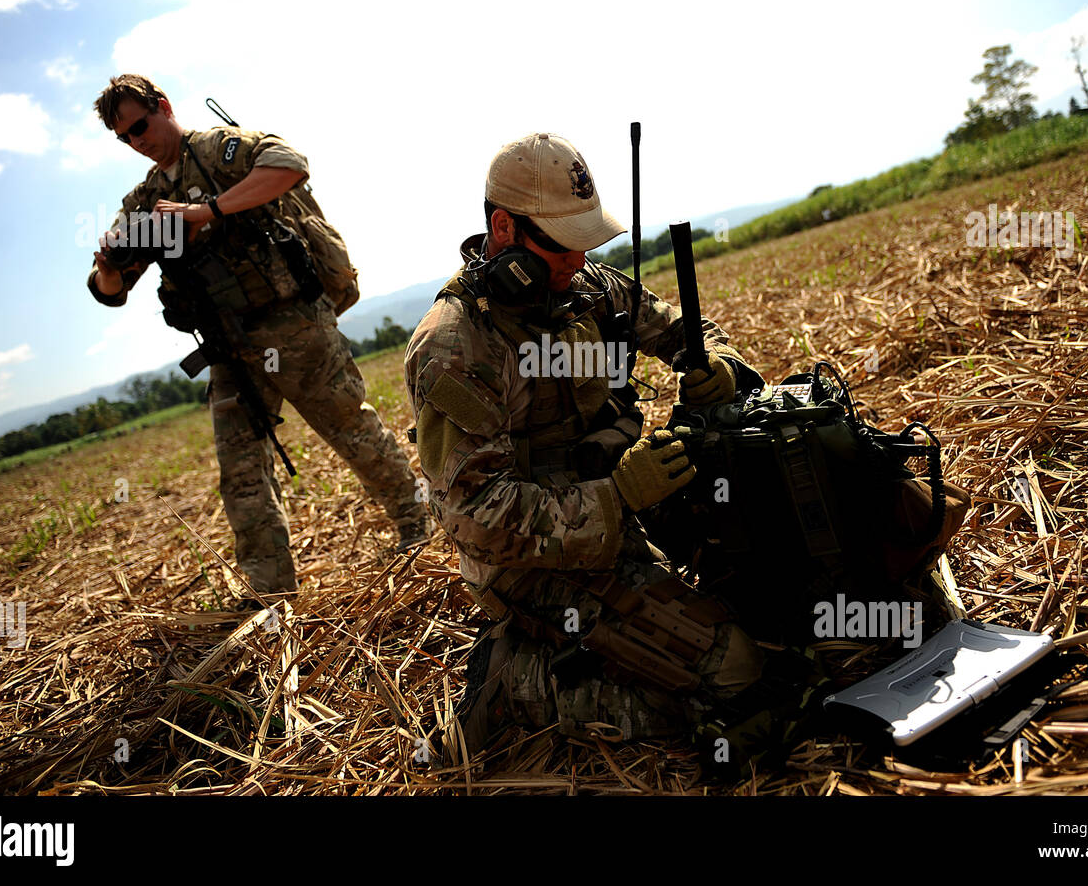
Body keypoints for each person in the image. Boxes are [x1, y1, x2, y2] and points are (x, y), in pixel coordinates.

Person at [405, 132, 795, 754]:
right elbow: (475, 519)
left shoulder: (585, 286)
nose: (579, 259)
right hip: (532, 562)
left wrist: (716, 364)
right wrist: (616, 498)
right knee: (735, 676)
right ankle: (514, 684)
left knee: (781, 593)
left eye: (587, 241)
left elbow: (685, 330)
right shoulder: (455, 346)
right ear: (504, 229)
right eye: (563, 243)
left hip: (625, 499)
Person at [88, 74, 429, 598]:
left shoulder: (218, 151)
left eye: (141, 126)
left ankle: (418, 524)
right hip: (229, 347)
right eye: (125, 137)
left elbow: (289, 165)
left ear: (164, 107)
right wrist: (110, 265)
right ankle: (270, 591)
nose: (138, 141)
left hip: (292, 325)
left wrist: (206, 211)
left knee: (351, 432)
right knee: (242, 472)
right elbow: (110, 292)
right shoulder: (145, 202)